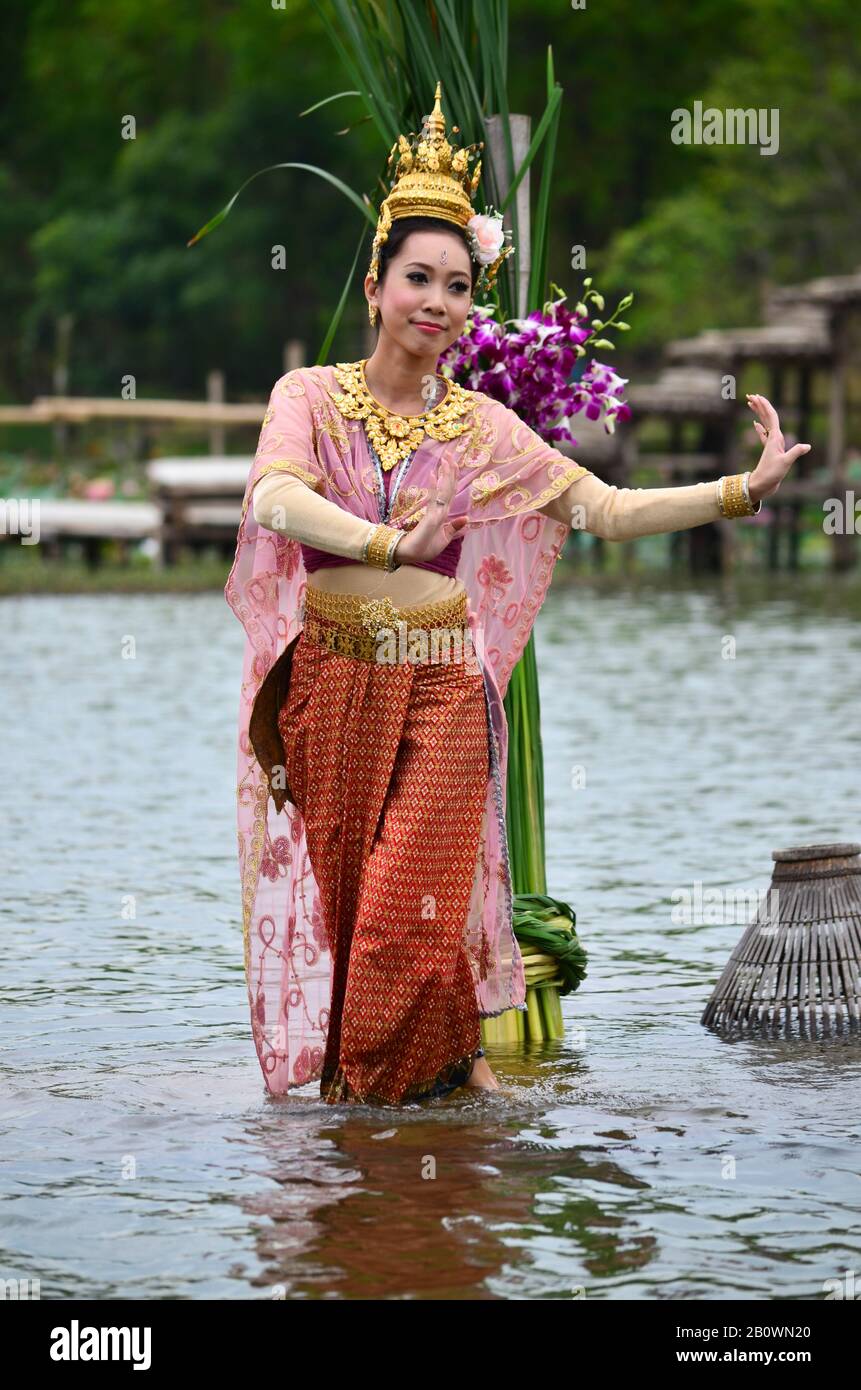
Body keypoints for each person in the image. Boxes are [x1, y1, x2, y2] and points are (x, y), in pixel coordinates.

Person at [225, 83, 810, 1107]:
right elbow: (273, 498)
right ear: (375, 283)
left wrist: (738, 491)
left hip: (444, 691)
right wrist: (381, 538)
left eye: (458, 284)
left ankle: (366, 1138)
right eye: (419, 277)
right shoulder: (308, 398)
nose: (439, 302)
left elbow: (605, 508)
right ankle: (443, 1136)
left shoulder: (484, 429)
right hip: (329, 693)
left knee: (404, 918)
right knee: (365, 929)